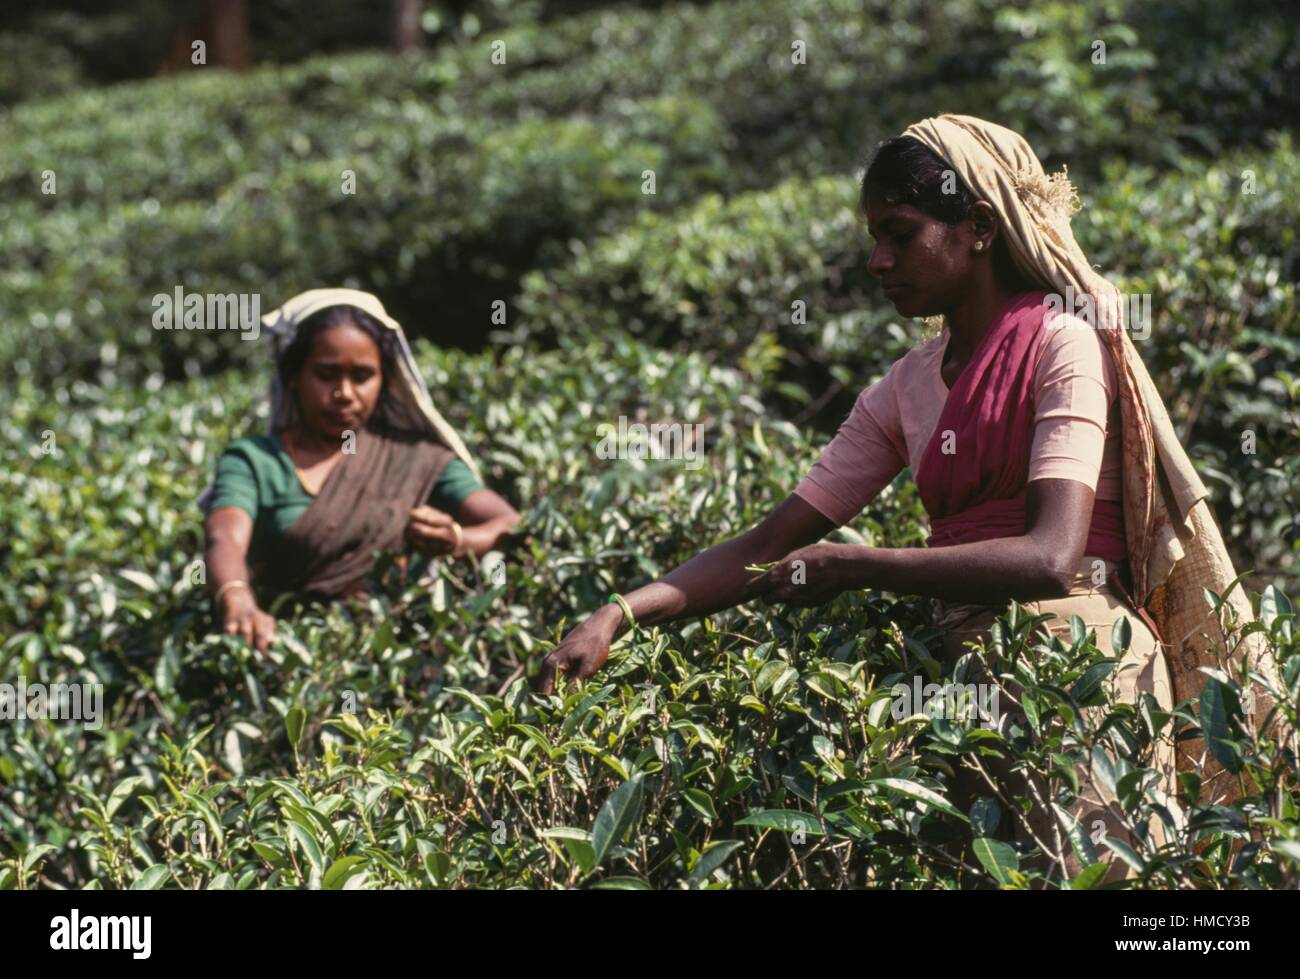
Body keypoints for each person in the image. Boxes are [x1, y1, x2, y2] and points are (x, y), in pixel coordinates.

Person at [539, 114, 1273, 882]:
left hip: (1082, 672)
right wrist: (620, 613)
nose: (877, 259)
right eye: (873, 236)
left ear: (979, 228)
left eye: (901, 233)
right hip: (961, 685)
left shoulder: (1064, 342)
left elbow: (1054, 556)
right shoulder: (907, 386)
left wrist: (860, 566)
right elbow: (768, 544)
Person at [201, 288, 520, 652]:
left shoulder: (415, 458)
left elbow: (512, 525)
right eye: (326, 374)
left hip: (395, 662)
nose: (345, 393)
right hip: (281, 655)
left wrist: (458, 540)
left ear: (385, 380)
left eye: (363, 376)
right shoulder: (254, 461)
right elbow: (224, 538)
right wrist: (238, 599)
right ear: (293, 375)